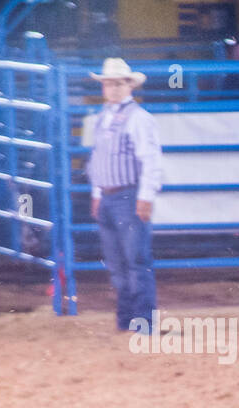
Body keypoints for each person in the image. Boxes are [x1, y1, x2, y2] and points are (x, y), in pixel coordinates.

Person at [87, 58, 161, 332]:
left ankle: (142, 321)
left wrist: (145, 197)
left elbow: (151, 160)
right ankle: (127, 319)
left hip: (129, 197)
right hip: (109, 197)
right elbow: (97, 158)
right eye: (108, 83)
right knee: (119, 264)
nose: (113, 88)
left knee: (135, 261)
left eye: (118, 83)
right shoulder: (102, 117)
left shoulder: (139, 119)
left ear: (129, 85)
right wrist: (97, 193)